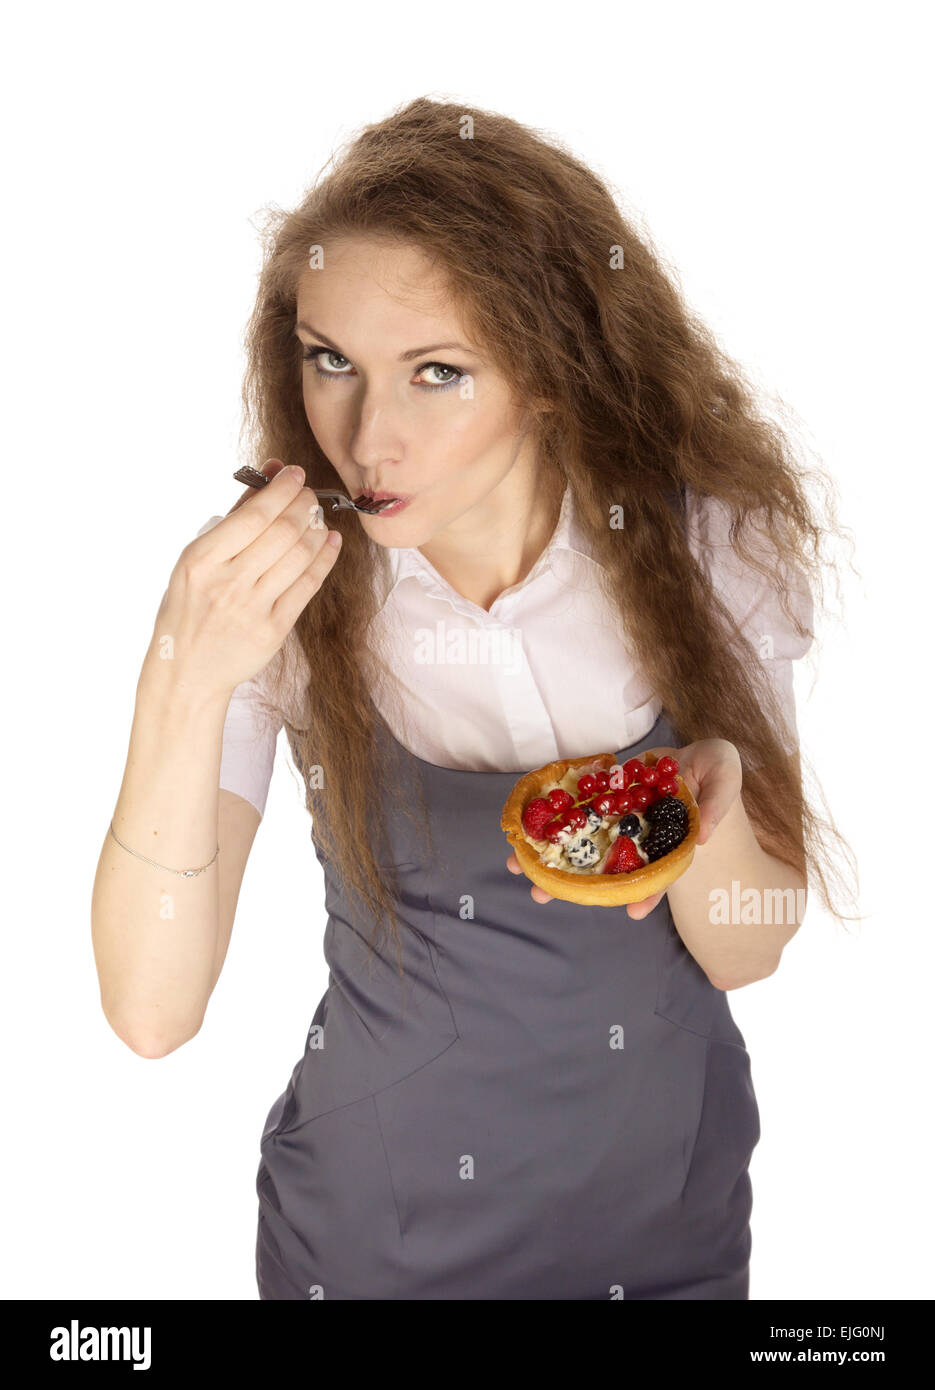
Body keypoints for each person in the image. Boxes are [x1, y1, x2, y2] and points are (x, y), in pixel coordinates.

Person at [91, 97, 856, 1300]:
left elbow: (747, 949)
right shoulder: (277, 581)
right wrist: (184, 676)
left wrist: (696, 809)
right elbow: (149, 1009)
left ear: (550, 376)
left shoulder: (709, 541)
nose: (365, 437)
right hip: (373, 1247)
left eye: (435, 373)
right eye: (328, 359)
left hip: (664, 1238)